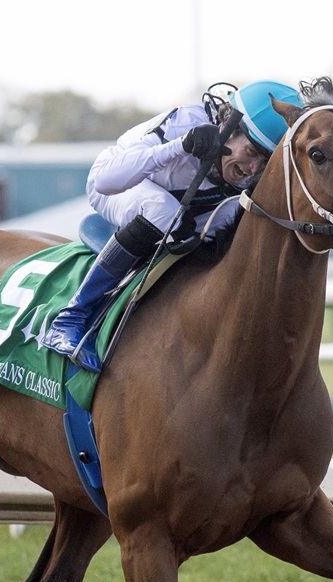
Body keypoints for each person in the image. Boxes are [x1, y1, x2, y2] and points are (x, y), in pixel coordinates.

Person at [40, 79, 302, 373]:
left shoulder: (248, 171)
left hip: (182, 212)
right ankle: (71, 318)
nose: (253, 170)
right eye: (252, 152)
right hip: (124, 186)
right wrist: (181, 146)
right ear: (228, 126)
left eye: (265, 161)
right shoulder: (187, 120)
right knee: (165, 212)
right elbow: (106, 181)